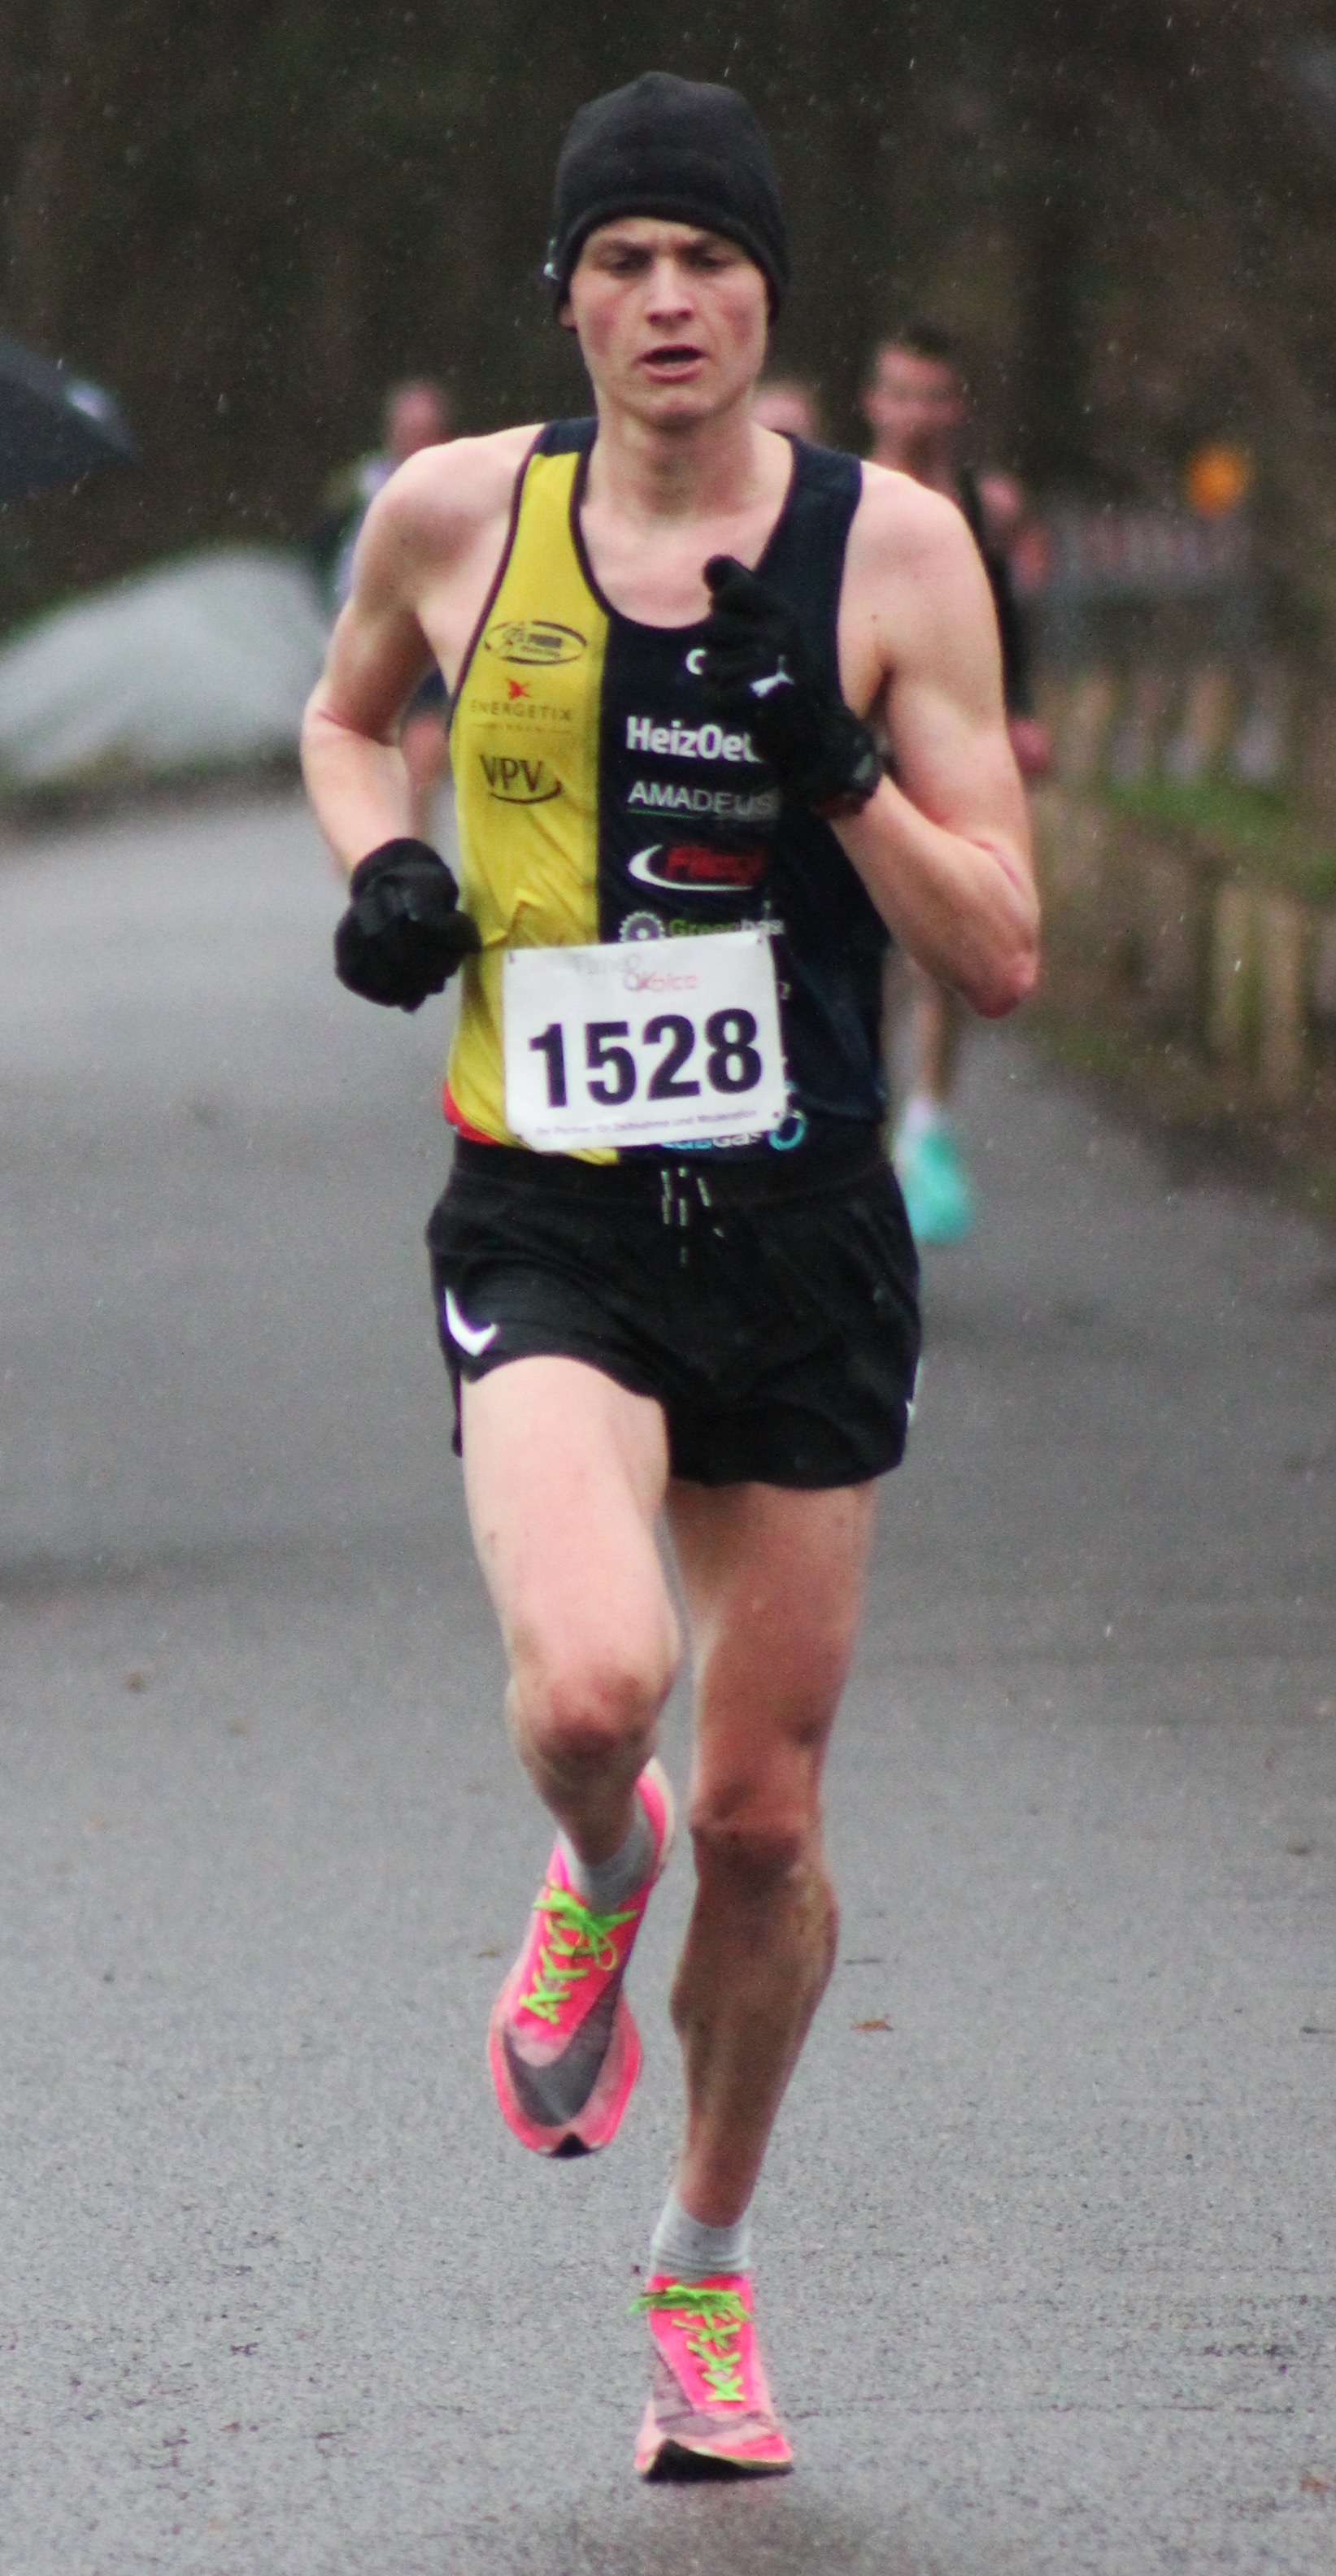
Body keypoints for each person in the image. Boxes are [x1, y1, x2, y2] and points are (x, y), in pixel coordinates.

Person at [302, 71, 1037, 2481]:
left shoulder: (893, 552)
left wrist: (843, 773)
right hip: (552, 1204)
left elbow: (1000, 950)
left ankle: (700, 2269)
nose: (665, 299)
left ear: (763, 292)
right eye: (619, 259)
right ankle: (585, 1864)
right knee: (599, 1684)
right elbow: (342, 719)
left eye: (705, 258)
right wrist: (379, 865)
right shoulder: (454, 514)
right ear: (565, 296)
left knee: (763, 1823)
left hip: (803, 1233)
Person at [863, 324, 1051, 1245]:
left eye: (932, 396)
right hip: (865, 755)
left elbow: (1007, 623)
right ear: (873, 402)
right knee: (873, 958)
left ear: (957, 408)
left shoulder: (988, 506)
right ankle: (872, 1123)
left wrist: (1021, 714)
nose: (916, 413)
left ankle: (927, 1124)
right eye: (901, 393)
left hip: (952, 751)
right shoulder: (842, 497)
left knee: (950, 944)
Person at [316, 379, 456, 839]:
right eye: (408, 431)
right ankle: (375, 844)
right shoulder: (358, 490)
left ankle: (415, 844)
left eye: (426, 431)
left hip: (431, 638)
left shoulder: (461, 483)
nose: (417, 442)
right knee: (366, 749)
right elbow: (321, 556)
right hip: (371, 634)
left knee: (423, 750)